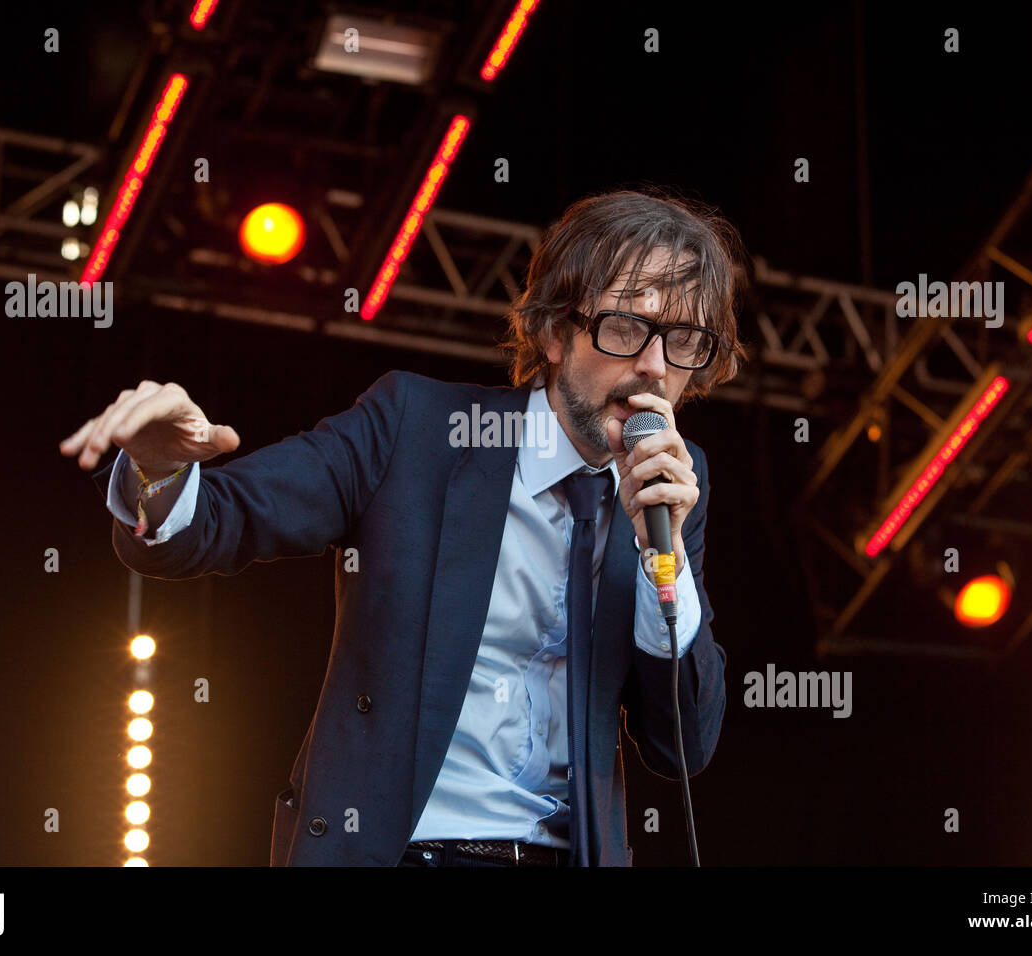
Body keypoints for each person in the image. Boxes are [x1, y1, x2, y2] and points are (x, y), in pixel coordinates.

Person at [59, 187, 749, 866]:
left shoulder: (673, 490)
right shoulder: (416, 430)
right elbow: (220, 519)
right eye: (627, 328)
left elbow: (683, 741)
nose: (656, 367)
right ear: (555, 330)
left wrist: (667, 560)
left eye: (684, 341)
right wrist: (159, 469)